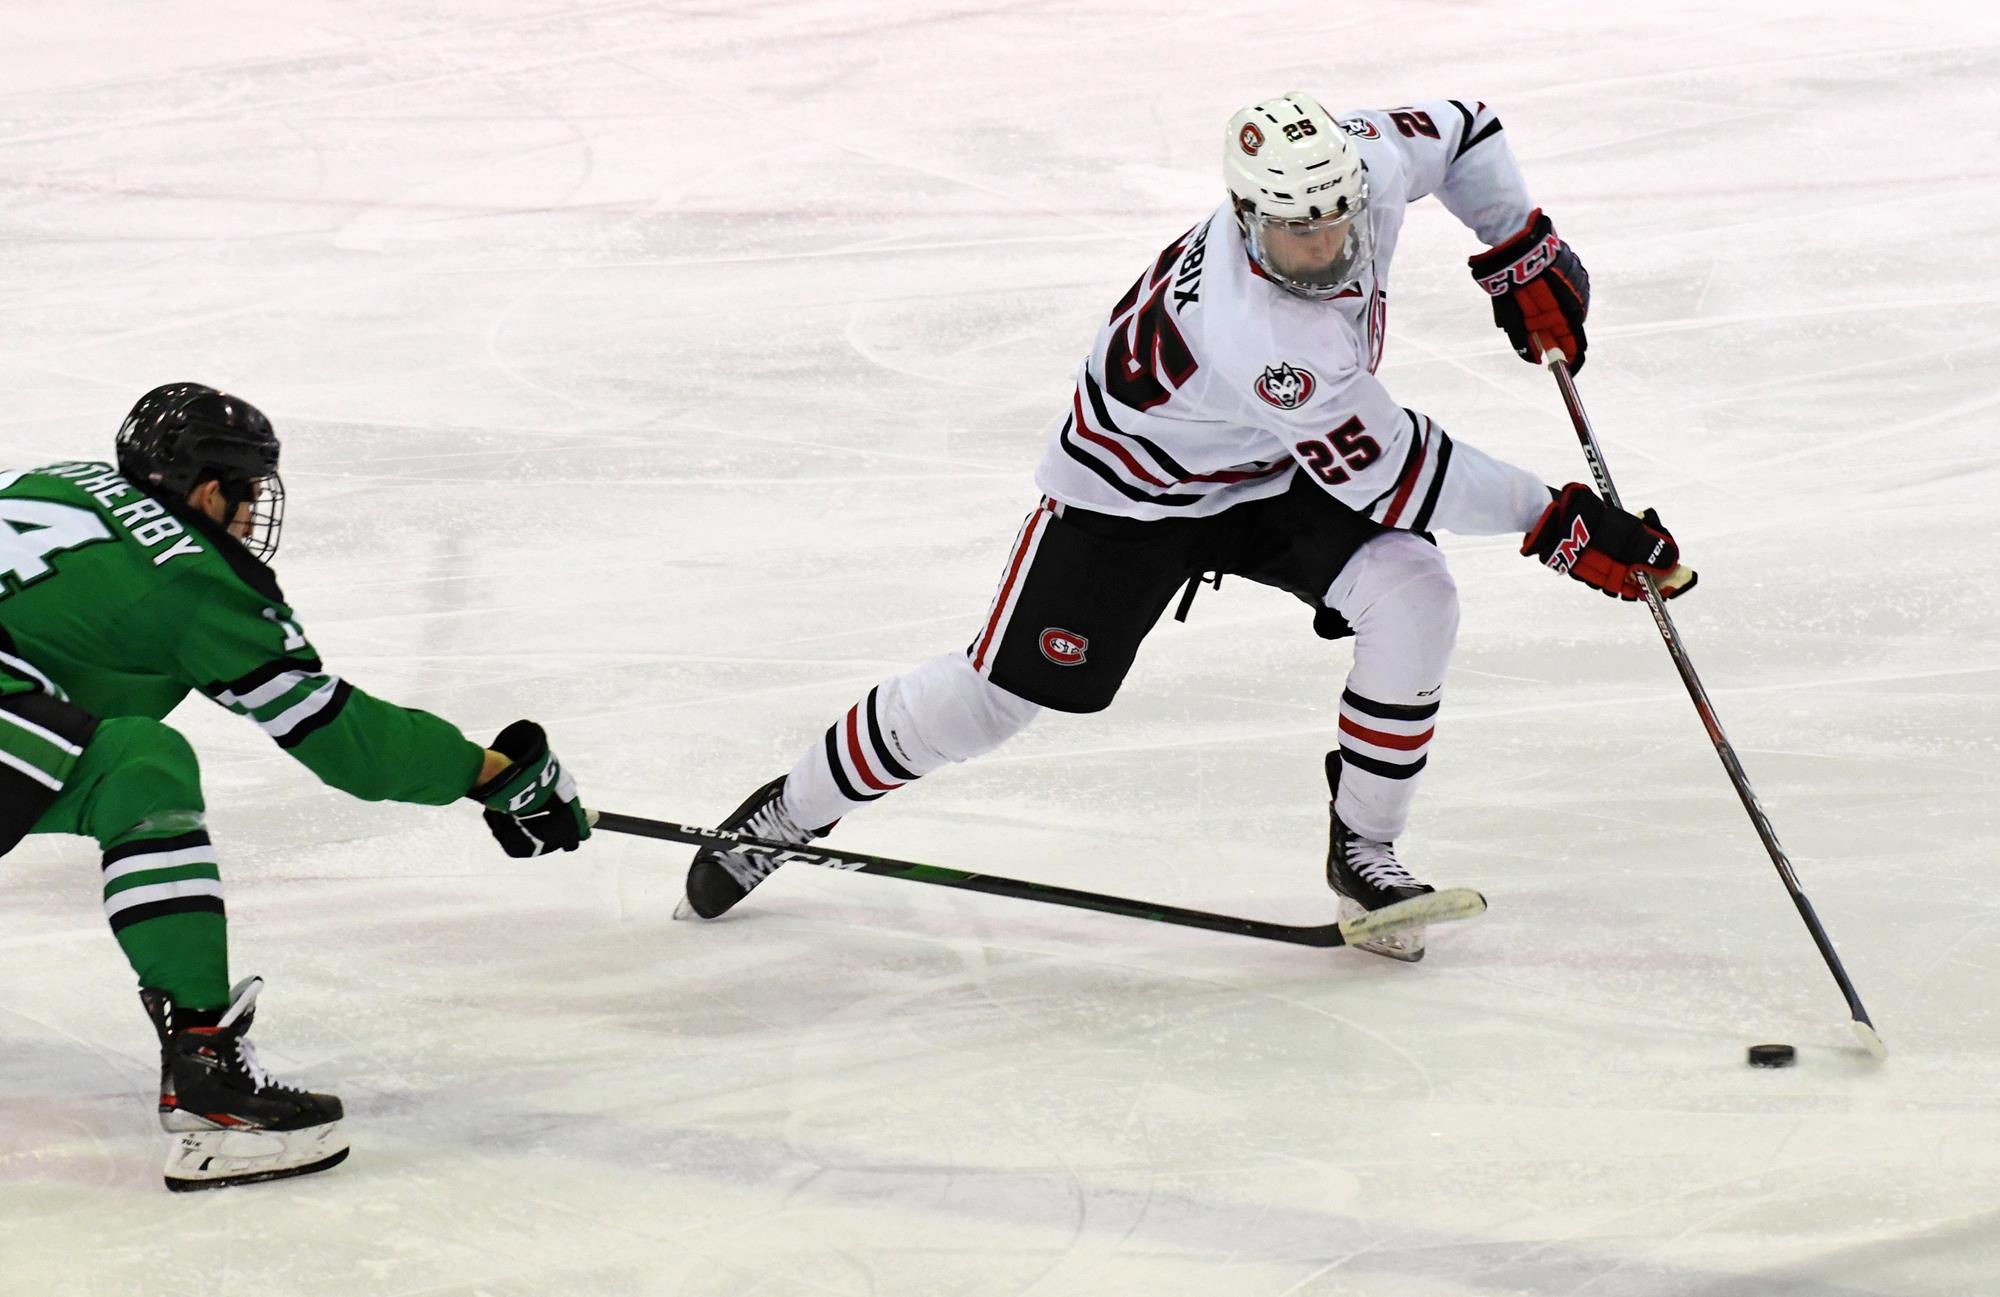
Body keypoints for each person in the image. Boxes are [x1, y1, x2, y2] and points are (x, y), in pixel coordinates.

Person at [678, 92, 1693, 959]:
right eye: (1297, 232)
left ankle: (1364, 854)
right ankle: (785, 812)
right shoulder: (1262, 334)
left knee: (1412, 593)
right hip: (1128, 498)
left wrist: (1517, 241)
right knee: (993, 702)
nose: (1325, 247)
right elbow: (1398, 473)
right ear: (1246, 216)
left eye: (1337, 223)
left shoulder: (1362, 165)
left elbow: (1466, 128)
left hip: (1267, 467)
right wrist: (1556, 522)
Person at [0, 383, 591, 1190]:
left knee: (82, 747)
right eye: (247, 494)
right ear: (208, 489)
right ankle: (209, 1083)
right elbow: (344, 741)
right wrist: (492, 775)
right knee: (142, 769)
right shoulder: (193, 581)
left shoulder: (57, 481)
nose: (251, 518)